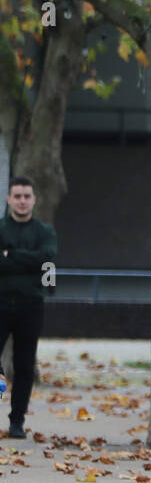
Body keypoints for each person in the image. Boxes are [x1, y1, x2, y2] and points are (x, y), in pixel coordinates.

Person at [0, 176, 57, 439]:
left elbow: (46, 260)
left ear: (34, 199)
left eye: (26, 196)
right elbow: (36, 263)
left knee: (24, 365)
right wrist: (28, 263)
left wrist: (10, 256)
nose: (22, 201)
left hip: (31, 305)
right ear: (8, 198)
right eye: (17, 196)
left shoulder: (45, 232)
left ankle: (17, 421)